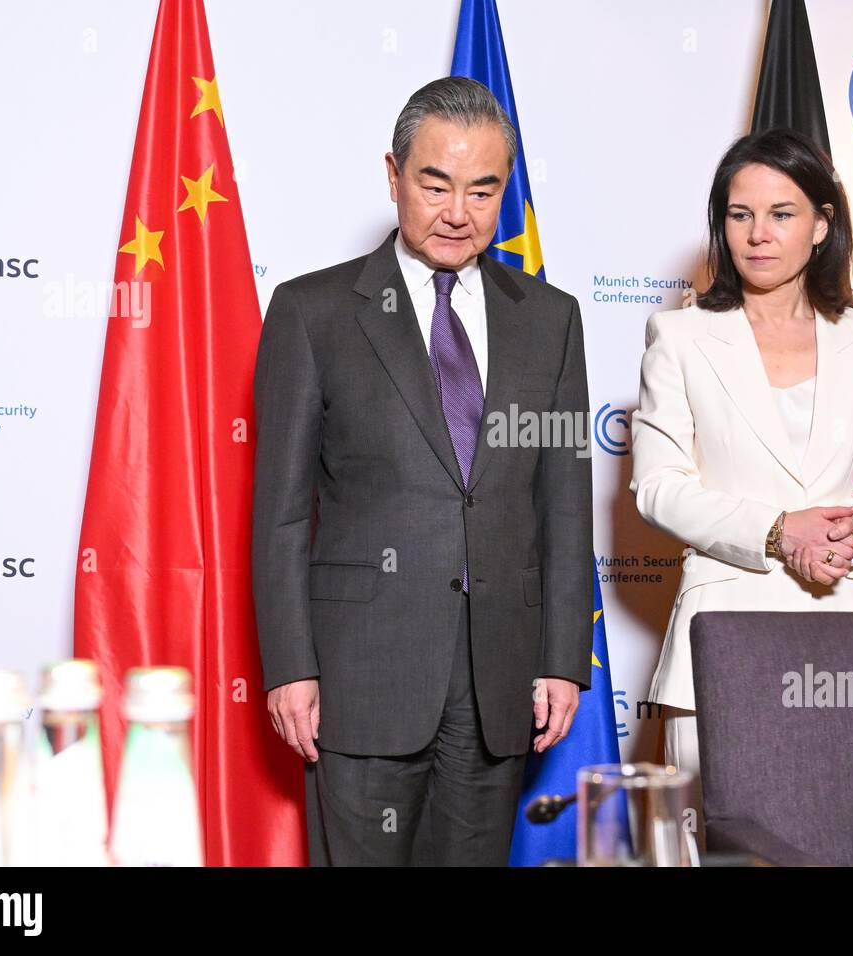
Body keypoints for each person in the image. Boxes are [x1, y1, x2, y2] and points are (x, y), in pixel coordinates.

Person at [251, 76, 593, 866]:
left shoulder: (550, 319)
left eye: (483, 189)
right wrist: (291, 666)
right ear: (394, 175)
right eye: (435, 183)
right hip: (359, 674)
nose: (456, 212)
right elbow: (281, 514)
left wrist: (560, 659)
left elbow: (565, 505)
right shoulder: (313, 312)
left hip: (499, 678)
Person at [629, 127, 853, 788]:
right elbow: (658, 486)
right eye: (740, 215)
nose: (758, 234)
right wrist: (776, 531)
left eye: (781, 214)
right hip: (725, 629)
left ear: (822, 225)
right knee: (721, 843)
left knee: (847, 834)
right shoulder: (680, 336)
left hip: (847, 618)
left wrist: (846, 536)